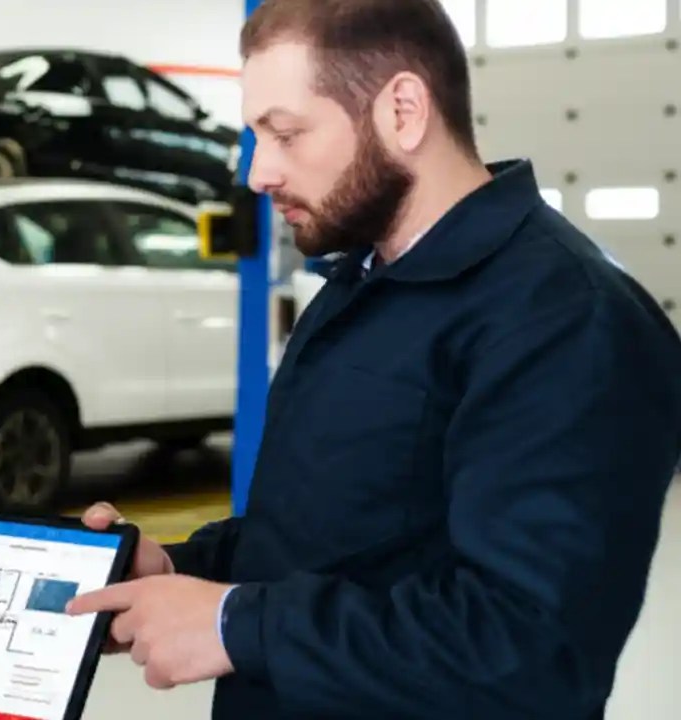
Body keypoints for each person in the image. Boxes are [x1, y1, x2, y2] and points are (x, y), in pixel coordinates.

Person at [66, 1, 681, 718]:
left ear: (404, 110)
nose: (257, 173)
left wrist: (235, 624)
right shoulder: (363, 281)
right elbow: (326, 538)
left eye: (285, 133)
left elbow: (528, 650)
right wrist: (180, 569)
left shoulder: (566, 321)